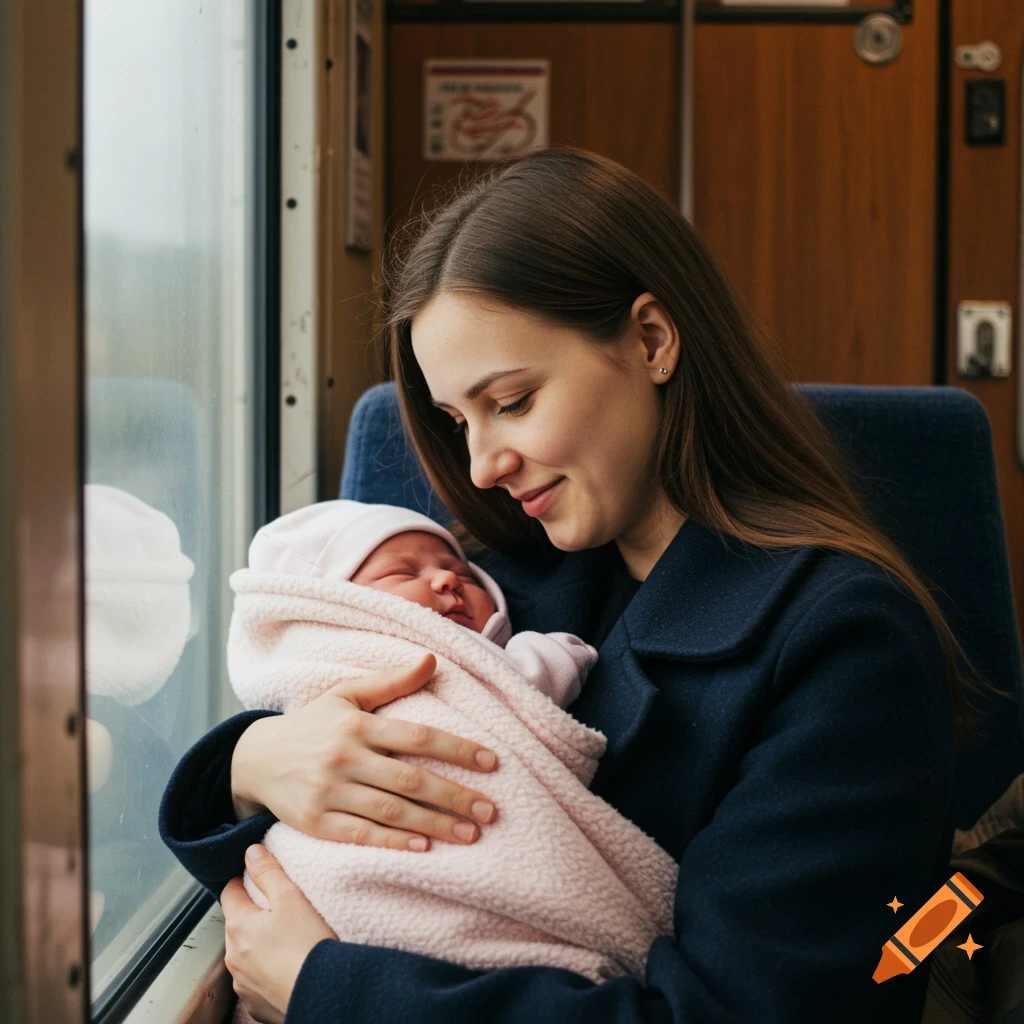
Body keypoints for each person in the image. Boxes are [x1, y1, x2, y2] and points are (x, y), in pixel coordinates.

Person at [159, 146, 1010, 1024]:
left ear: (651, 340)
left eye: (514, 402)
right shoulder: (487, 579)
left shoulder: (847, 646)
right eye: (459, 421)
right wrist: (252, 765)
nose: (483, 465)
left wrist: (327, 990)